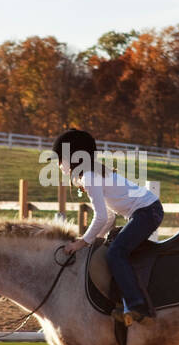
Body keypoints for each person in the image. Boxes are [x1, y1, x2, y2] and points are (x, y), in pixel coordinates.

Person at [53, 128, 164, 324]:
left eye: (60, 160)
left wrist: (82, 243)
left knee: (116, 253)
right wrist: (95, 240)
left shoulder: (88, 177)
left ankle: (136, 304)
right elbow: (109, 217)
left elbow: (101, 216)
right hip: (146, 211)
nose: (59, 165)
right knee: (112, 249)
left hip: (146, 212)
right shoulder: (91, 173)